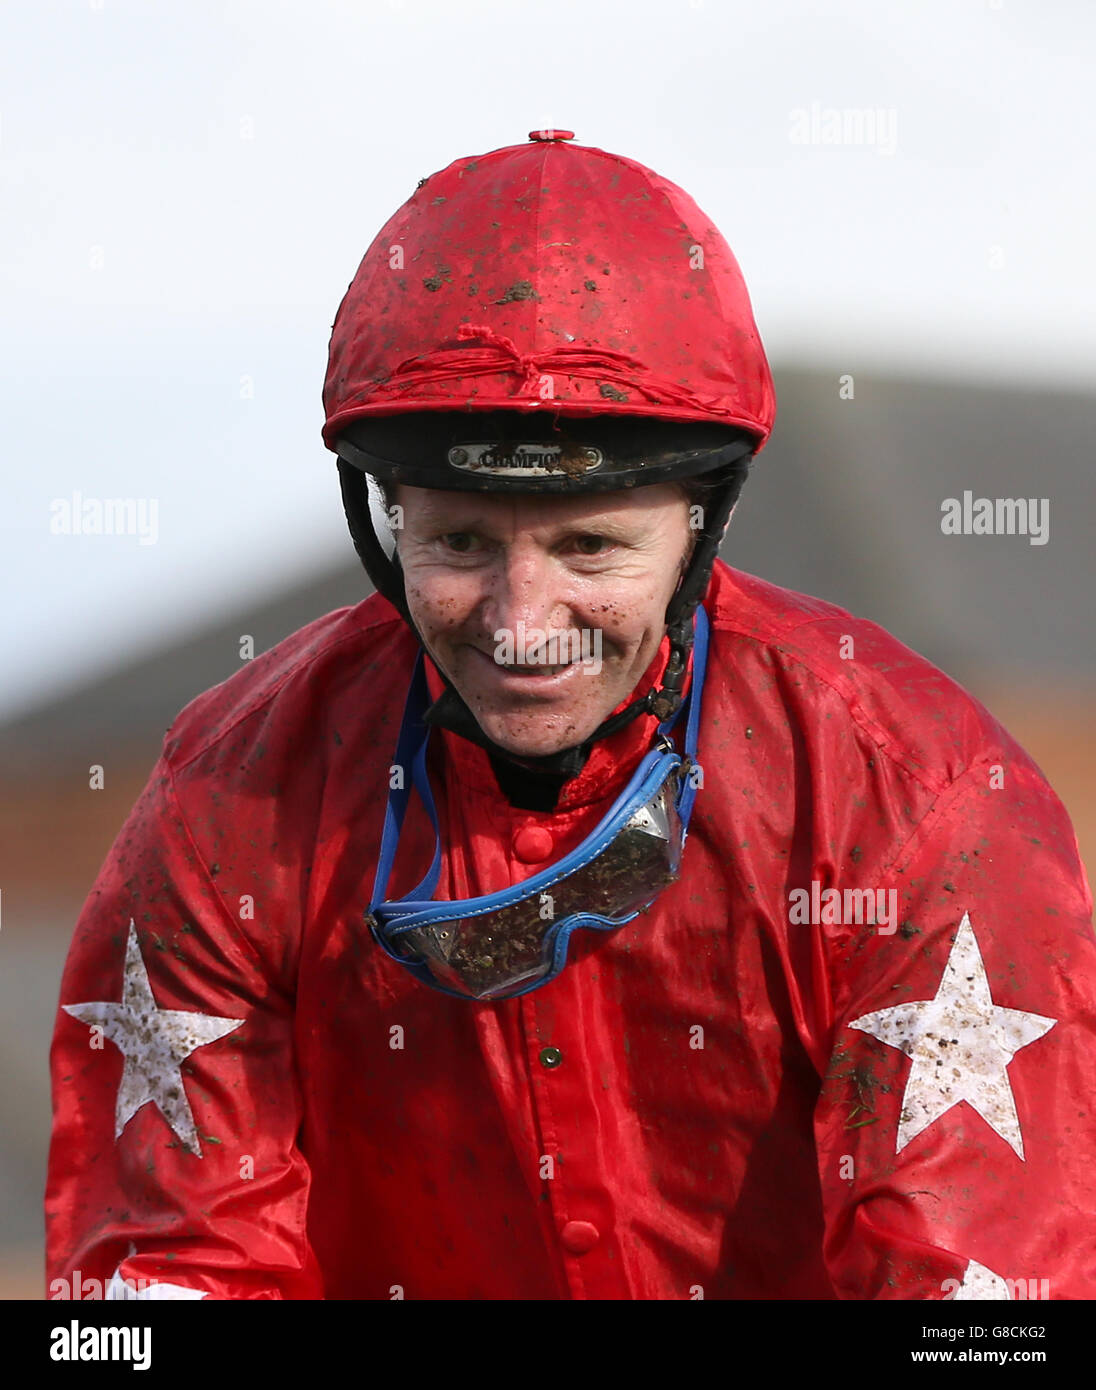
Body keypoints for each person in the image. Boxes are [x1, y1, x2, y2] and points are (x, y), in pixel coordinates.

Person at [45, 130, 1096, 1301]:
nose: (522, 617)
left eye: (589, 544)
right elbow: (164, 1281)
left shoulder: (916, 793)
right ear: (385, 526)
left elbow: (979, 1308)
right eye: (457, 544)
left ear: (703, 529)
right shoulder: (226, 797)